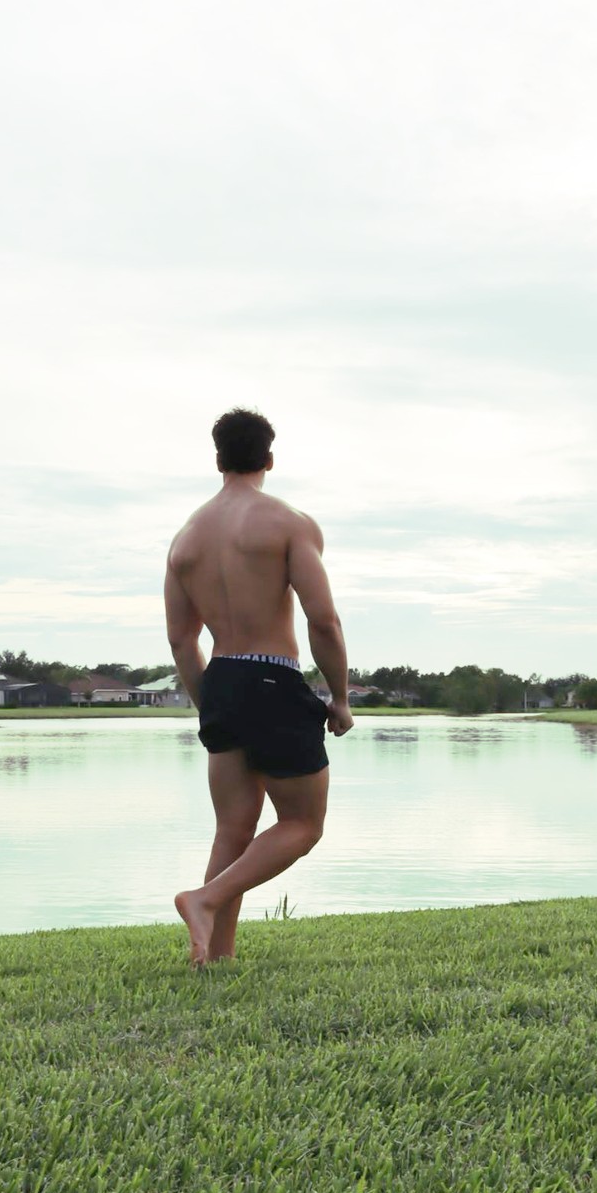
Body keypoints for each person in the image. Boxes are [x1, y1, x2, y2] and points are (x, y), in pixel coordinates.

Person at [166, 407, 353, 964]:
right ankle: (205, 899)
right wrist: (339, 697)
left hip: (220, 677)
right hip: (273, 675)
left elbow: (181, 642)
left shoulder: (186, 539)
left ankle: (213, 957)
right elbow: (323, 619)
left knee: (233, 829)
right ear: (269, 458)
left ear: (218, 459)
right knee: (302, 823)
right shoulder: (289, 523)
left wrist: (212, 706)